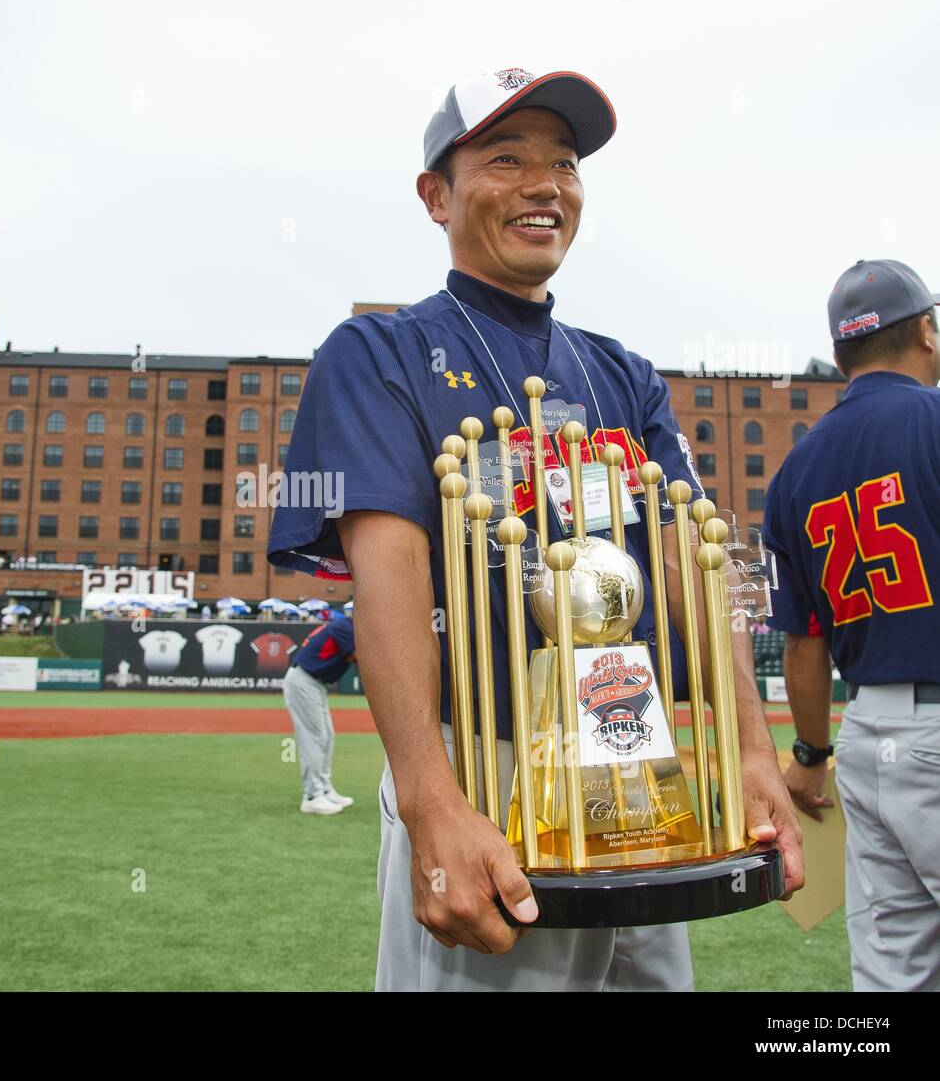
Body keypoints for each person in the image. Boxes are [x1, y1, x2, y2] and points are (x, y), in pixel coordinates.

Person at [268, 65, 803, 991]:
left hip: (638, 756)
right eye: (506, 157)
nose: (545, 185)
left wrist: (753, 746)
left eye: (565, 162)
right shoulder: (377, 354)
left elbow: (687, 558)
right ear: (436, 194)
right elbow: (386, 575)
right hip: (487, 765)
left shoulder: (622, 374)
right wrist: (434, 804)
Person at [765, 260, 940, 992]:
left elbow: (805, 643)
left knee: (892, 970)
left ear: (841, 356)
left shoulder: (795, 469)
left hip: (868, 738)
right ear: (927, 331)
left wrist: (809, 750)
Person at [283, 610, 356, 815]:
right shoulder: (345, 626)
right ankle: (312, 796)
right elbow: (358, 654)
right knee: (313, 738)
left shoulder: (346, 625)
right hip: (304, 681)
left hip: (314, 683)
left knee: (326, 736)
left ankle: (324, 789)